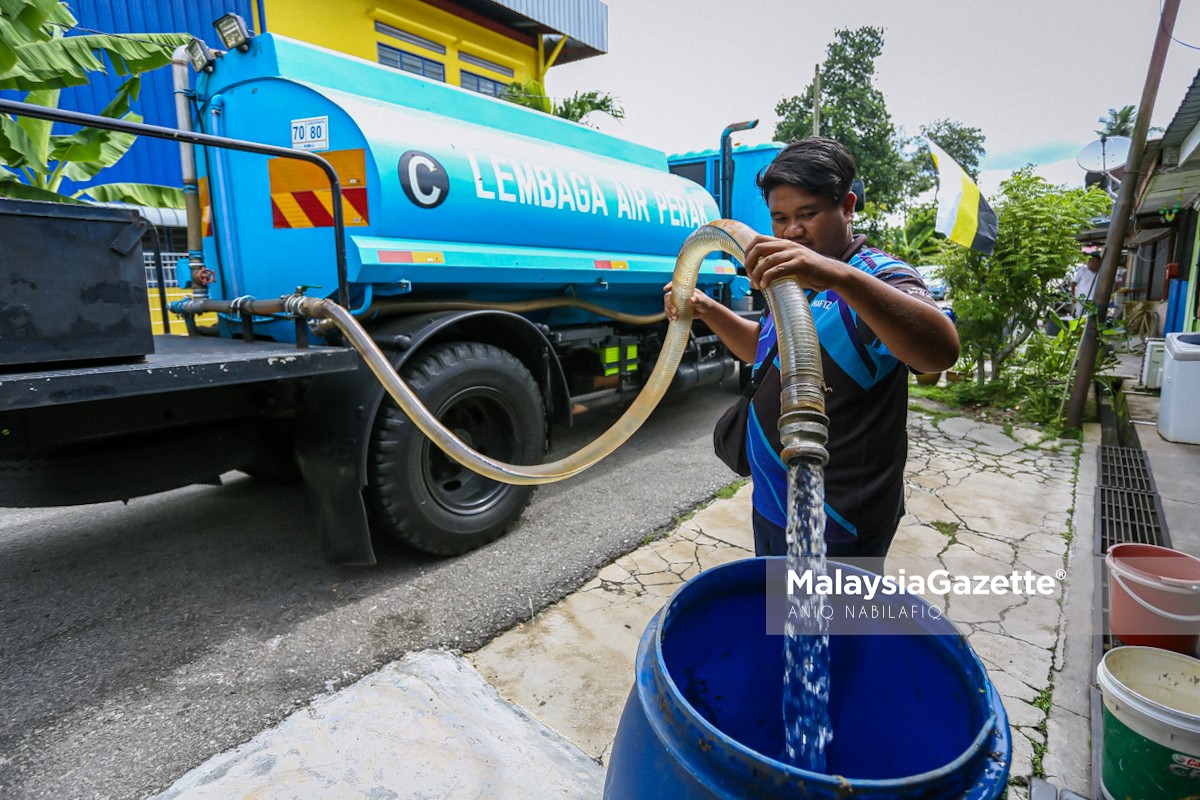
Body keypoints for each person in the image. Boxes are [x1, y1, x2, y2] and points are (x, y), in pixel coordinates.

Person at [665, 137, 959, 561]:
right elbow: (764, 351)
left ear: (847, 207)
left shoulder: (879, 275)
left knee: (828, 607)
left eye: (808, 214)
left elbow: (940, 353)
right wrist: (707, 309)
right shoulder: (791, 280)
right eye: (779, 218)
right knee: (779, 603)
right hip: (773, 502)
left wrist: (839, 276)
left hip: (840, 520)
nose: (792, 231)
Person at [1071, 253, 1102, 317]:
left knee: (1092, 317)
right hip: (1081, 299)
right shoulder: (1083, 270)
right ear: (1089, 262)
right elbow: (1073, 283)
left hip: (1094, 299)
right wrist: (1073, 296)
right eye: (1092, 261)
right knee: (1080, 316)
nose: (1094, 263)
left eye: (1096, 261)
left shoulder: (1101, 273)